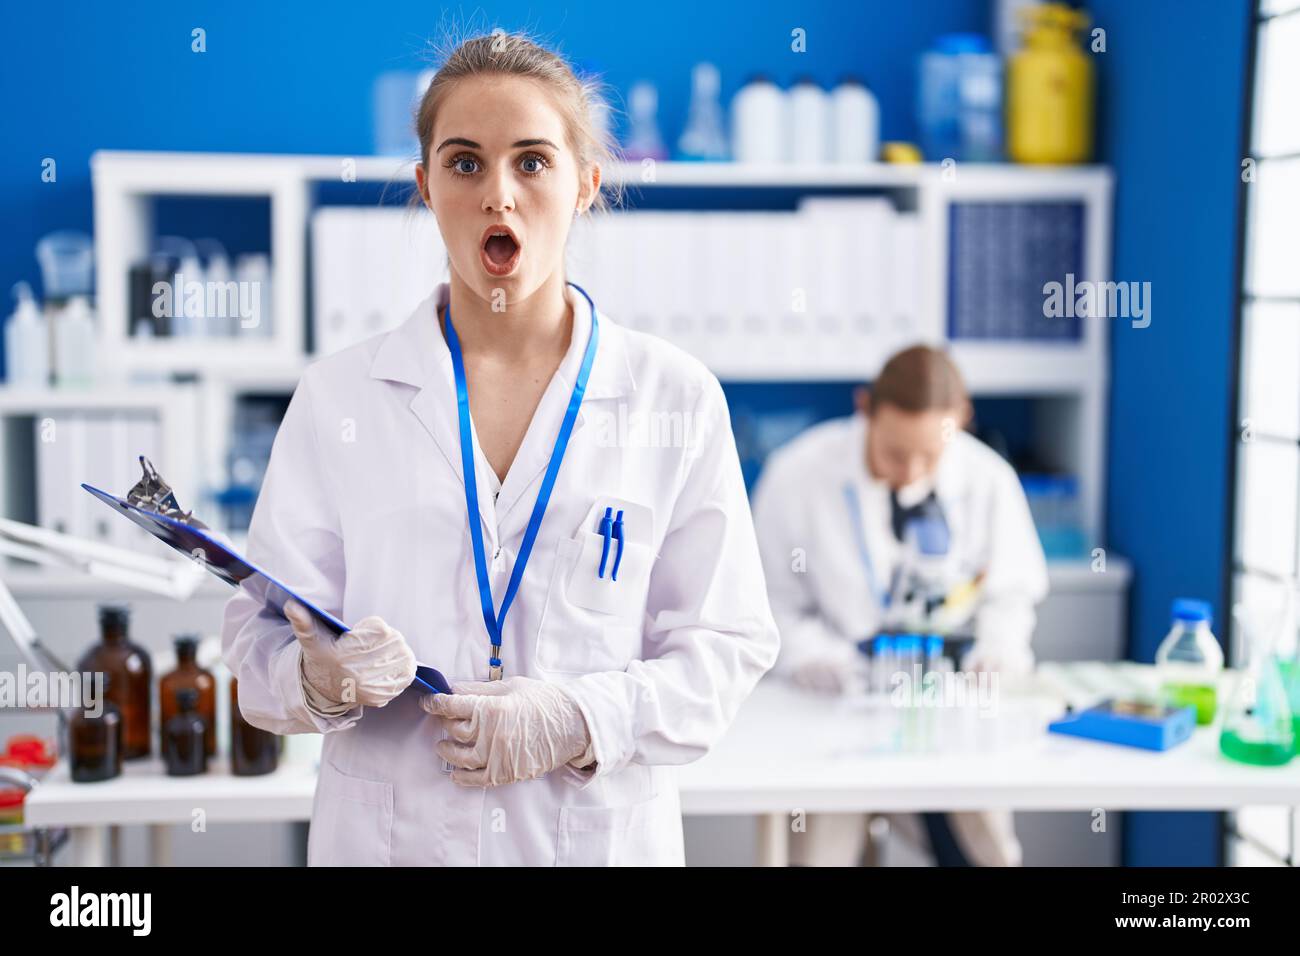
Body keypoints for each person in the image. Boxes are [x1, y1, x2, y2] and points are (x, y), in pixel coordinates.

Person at [221, 31, 778, 867]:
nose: (499, 195)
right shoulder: (340, 398)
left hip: (591, 842)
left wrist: (579, 720)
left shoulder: (675, 398)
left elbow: (726, 648)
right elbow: (257, 641)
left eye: (533, 162)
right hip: (392, 843)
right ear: (424, 185)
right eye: (465, 163)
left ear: (587, 183)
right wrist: (318, 681)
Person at [751, 345, 1048, 866]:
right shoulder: (796, 475)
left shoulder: (988, 481)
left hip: (948, 715)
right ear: (864, 407)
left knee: (986, 852)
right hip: (833, 710)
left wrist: (998, 651)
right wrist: (822, 660)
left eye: (930, 456)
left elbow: (1011, 593)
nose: (911, 472)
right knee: (821, 853)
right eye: (894, 454)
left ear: (962, 420)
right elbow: (770, 605)